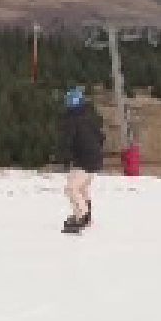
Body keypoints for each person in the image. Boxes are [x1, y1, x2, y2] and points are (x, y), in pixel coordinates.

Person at [59, 85, 102, 233]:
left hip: (84, 160)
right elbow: (101, 137)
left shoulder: (71, 121)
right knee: (82, 188)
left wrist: (66, 159)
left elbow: (67, 142)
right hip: (95, 159)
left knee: (71, 189)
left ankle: (81, 217)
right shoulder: (90, 117)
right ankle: (86, 215)